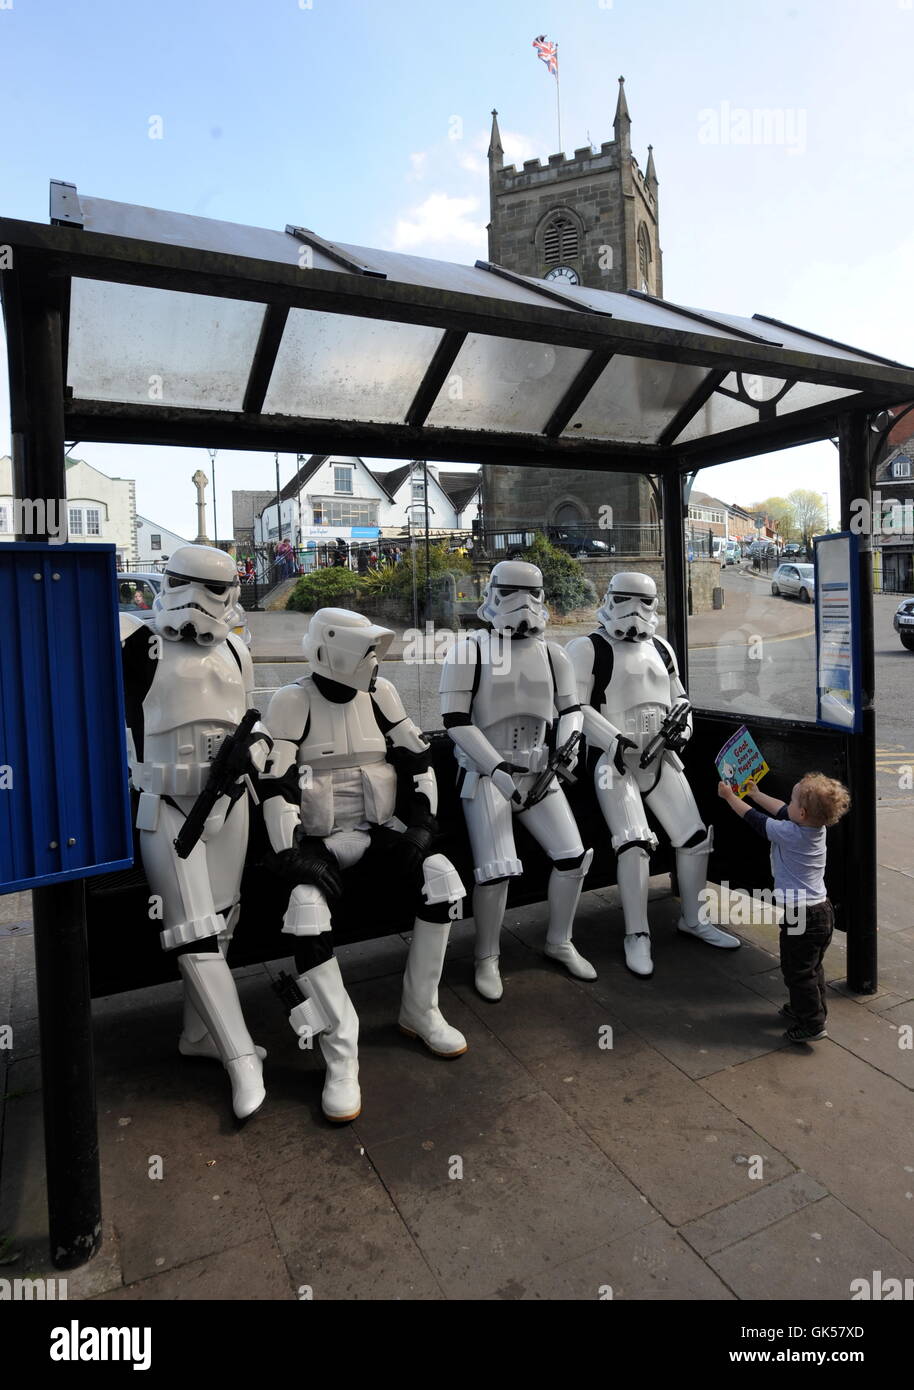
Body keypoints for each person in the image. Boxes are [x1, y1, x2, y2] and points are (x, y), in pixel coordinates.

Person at [259, 608, 467, 1122]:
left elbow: (418, 762)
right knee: (306, 912)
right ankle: (340, 1050)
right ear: (332, 648)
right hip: (319, 841)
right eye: (365, 650)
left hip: (379, 831)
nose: (374, 660)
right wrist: (290, 854)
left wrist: (421, 825)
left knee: (442, 878)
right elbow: (275, 785)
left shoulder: (381, 695)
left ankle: (420, 1008)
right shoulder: (292, 701)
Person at [120, 545, 272, 1119]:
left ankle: (199, 1034)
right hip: (164, 805)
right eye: (184, 583)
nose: (197, 599)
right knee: (192, 932)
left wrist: (252, 756)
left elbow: (249, 720)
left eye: (213, 587)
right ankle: (241, 1060)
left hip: (231, 803)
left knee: (224, 922)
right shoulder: (136, 646)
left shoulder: (236, 649)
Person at [567, 573, 740, 978]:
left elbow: (679, 695)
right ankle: (637, 933)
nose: (636, 610)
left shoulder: (661, 647)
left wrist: (685, 726)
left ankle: (693, 919)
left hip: (661, 757)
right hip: (616, 762)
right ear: (609, 598)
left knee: (695, 837)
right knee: (634, 843)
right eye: (626, 599)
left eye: (645, 601)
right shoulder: (588, 648)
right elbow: (575, 706)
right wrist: (614, 742)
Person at [439, 559, 595, 1001]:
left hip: (541, 770)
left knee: (572, 857)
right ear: (492, 594)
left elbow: (571, 710)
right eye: (510, 592)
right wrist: (495, 767)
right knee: (496, 869)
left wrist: (570, 744)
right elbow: (455, 720)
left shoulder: (554, 653)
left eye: (532, 593)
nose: (523, 604)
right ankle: (486, 956)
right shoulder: (469, 649)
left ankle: (559, 940)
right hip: (487, 774)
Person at [718, 772, 850, 1043]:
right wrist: (755, 794)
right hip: (821, 912)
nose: (785, 804)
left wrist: (731, 797)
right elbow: (780, 809)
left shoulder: (789, 833)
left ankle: (812, 1024)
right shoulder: (815, 828)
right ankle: (810, 1010)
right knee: (811, 968)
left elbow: (754, 819)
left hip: (801, 916)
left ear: (801, 813)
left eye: (792, 800)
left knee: (796, 971)